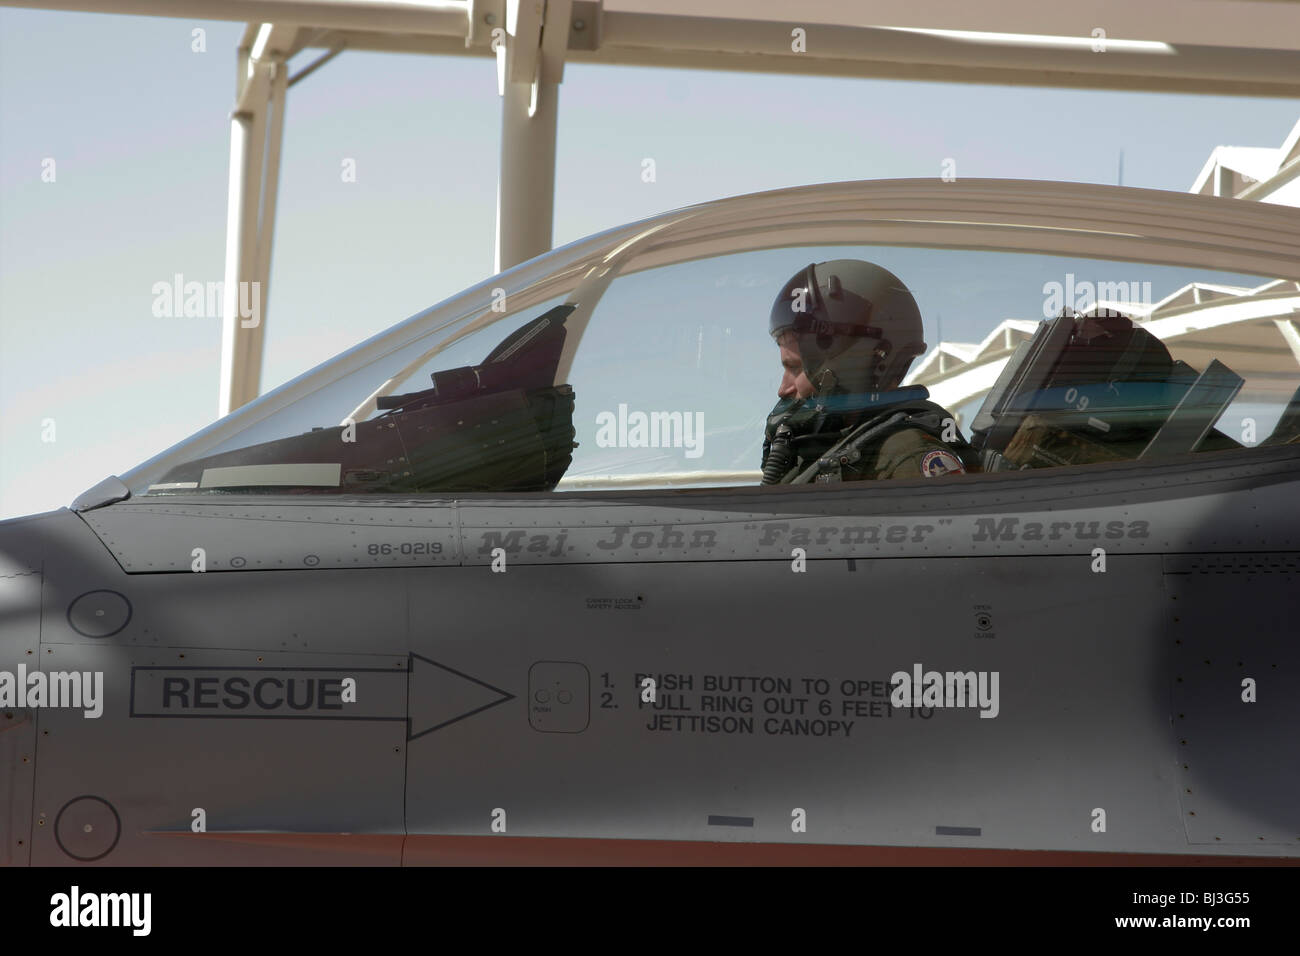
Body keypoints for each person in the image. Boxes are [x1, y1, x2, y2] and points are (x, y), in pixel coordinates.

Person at [760, 259, 977, 484]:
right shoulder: (824, 453)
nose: (783, 389)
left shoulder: (906, 457)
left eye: (795, 368)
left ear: (851, 364)